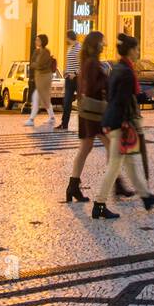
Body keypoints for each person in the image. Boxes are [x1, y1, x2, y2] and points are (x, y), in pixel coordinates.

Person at [92, 34, 154, 218]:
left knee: (131, 162)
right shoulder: (126, 72)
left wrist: (145, 95)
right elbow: (125, 99)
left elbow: (113, 95)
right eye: (137, 48)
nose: (138, 51)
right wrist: (147, 95)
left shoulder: (118, 67)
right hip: (120, 124)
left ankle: (146, 197)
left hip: (115, 120)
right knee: (114, 166)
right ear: (131, 50)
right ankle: (99, 204)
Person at [65, 31, 108, 202]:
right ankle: (115, 185)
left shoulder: (88, 62)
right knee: (112, 147)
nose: (104, 45)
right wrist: (105, 80)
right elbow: (91, 87)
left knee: (85, 148)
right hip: (94, 113)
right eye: (102, 42)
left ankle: (73, 186)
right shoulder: (91, 63)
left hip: (88, 112)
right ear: (96, 45)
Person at [25, 33, 56, 127]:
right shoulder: (37, 51)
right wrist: (35, 64)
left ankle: (31, 119)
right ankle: (52, 117)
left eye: (38, 40)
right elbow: (32, 63)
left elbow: (39, 65)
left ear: (42, 41)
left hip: (45, 76)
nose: (36, 41)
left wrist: (35, 64)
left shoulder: (46, 51)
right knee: (44, 97)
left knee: (36, 96)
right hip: (39, 76)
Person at [56, 30, 80, 130]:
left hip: (77, 78)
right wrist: (65, 71)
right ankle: (64, 124)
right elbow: (69, 62)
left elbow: (82, 64)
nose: (65, 39)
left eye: (66, 37)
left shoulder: (79, 47)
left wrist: (75, 74)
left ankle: (86, 124)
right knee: (66, 102)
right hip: (68, 78)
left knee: (82, 102)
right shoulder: (69, 48)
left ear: (69, 37)